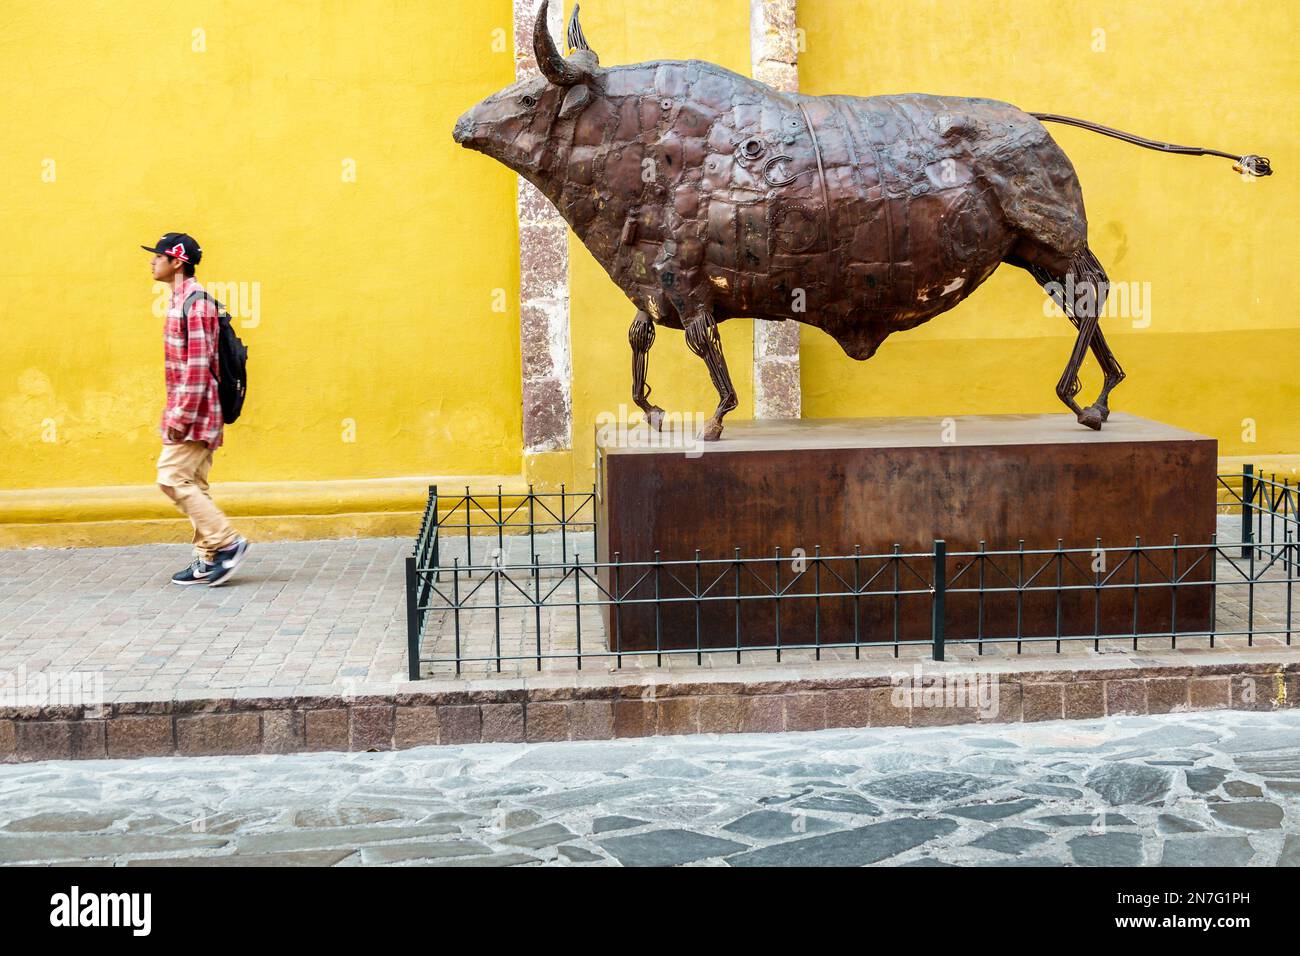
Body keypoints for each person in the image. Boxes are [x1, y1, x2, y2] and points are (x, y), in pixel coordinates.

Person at [141, 232, 249, 586]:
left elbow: (199, 366)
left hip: (195, 411)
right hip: (193, 408)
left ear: (177, 262)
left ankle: (227, 543)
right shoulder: (180, 300)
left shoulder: (195, 302)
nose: (152, 262)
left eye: (158, 256)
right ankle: (207, 558)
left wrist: (180, 417)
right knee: (195, 483)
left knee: (170, 478)